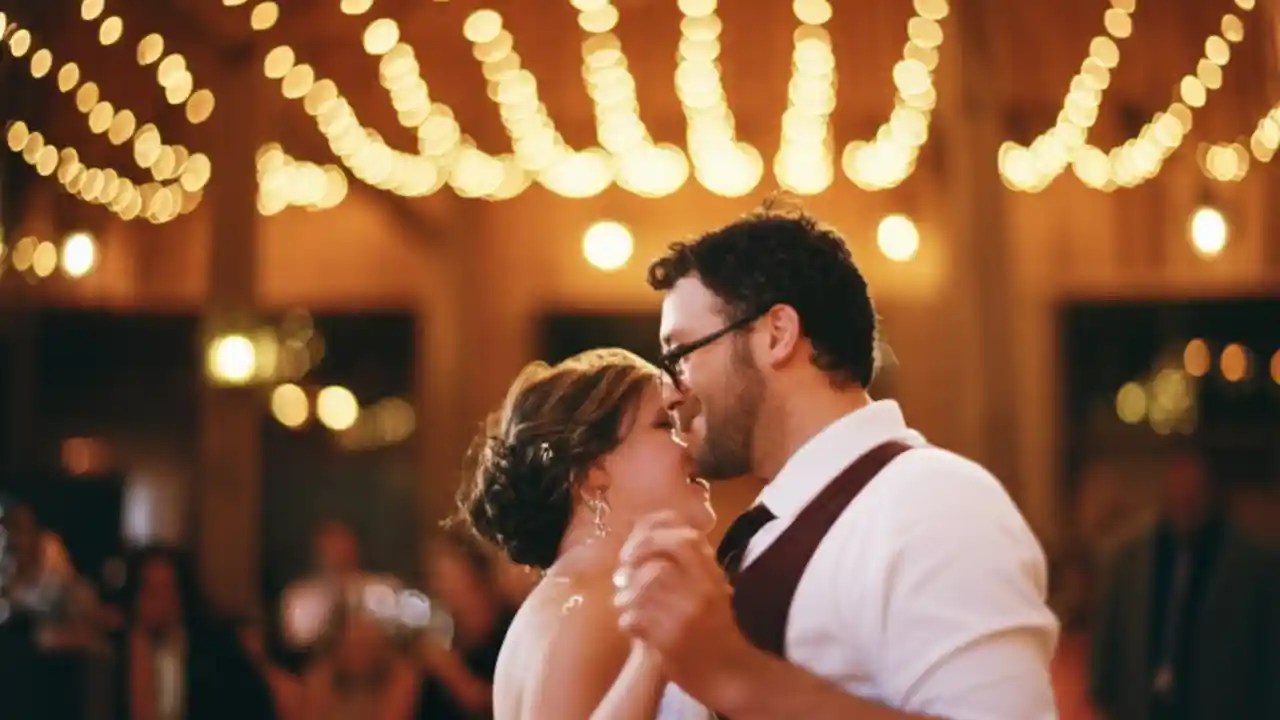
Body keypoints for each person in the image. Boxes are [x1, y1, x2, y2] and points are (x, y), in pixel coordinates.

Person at [613, 207, 1060, 719]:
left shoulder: (935, 502)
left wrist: (736, 675)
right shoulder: (770, 527)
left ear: (777, 333)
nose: (669, 390)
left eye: (681, 354)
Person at [456, 348, 716, 719]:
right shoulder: (595, 609)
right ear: (593, 471)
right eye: (665, 425)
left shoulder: (574, 599)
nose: (692, 441)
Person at [1090, 444, 1280, 719]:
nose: (1186, 503)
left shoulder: (1253, 564)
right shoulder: (1128, 556)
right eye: (1179, 493)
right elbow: (1109, 638)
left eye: (1195, 494)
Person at [415, 529, 513, 718]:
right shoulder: (450, 637)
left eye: (446, 575)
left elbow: (505, 703)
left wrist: (451, 671)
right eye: (435, 576)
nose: (440, 586)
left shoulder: (510, 632)